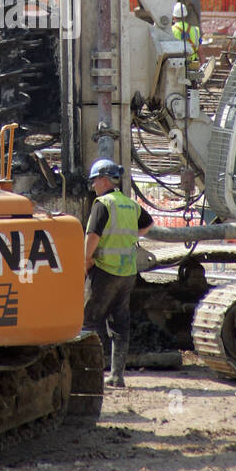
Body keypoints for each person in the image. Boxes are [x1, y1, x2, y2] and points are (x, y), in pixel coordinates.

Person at [83, 158, 153, 388]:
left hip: (104, 270)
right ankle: (116, 376)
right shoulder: (129, 204)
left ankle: (88, 376)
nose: (93, 185)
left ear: (104, 180)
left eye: (95, 180)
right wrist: (131, 237)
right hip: (127, 272)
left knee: (89, 322)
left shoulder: (103, 203)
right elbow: (148, 223)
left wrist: (86, 259)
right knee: (120, 324)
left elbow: (92, 235)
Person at [170, 1, 201, 68]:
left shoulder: (171, 30)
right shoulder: (196, 30)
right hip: (192, 65)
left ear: (173, 16)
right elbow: (200, 49)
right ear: (185, 16)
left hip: (176, 65)